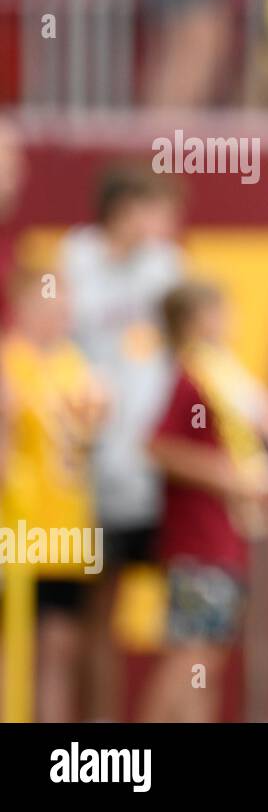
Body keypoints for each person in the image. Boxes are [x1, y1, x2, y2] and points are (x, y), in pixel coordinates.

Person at [59, 165, 183, 720]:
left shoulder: (167, 267)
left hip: (158, 471)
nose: (165, 225)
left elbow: (190, 356)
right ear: (123, 210)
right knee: (96, 614)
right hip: (93, 474)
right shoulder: (73, 262)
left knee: (189, 612)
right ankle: (103, 741)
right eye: (154, 211)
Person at [138, 281, 268, 723]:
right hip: (199, 546)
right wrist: (227, 476)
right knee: (189, 659)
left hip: (224, 543)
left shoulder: (222, 377)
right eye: (223, 311)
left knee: (208, 665)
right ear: (199, 320)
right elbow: (158, 447)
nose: (232, 321)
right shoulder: (192, 377)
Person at [0, 264, 108, 722]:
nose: (60, 315)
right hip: (14, 528)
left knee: (60, 645)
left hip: (64, 527)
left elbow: (88, 436)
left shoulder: (75, 365)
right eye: (51, 304)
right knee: (13, 643)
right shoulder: (9, 361)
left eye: (65, 306)